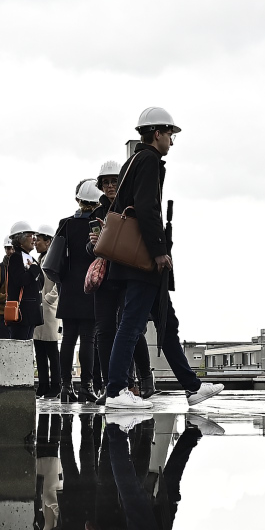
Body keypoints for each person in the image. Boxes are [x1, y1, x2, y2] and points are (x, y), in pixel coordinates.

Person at [101, 109, 223, 411]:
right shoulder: (150, 161)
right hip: (142, 263)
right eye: (170, 135)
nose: (171, 141)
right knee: (131, 324)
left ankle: (192, 387)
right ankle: (116, 389)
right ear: (157, 133)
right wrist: (159, 251)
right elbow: (146, 208)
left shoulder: (134, 161)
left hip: (135, 262)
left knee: (167, 325)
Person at [89, 159, 151, 401]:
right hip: (105, 278)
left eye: (114, 181)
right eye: (106, 182)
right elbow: (90, 248)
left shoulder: (132, 205)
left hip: (127, 275)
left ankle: (139, 380)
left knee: (130, 328)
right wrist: (93, 244)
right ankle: (111, 386)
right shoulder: (96, 213)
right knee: (104, 331)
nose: (110, 186)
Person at [52, 183, 101, 402]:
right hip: (91, 286)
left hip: (69, 288)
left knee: (69, 339)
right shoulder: (99, 225)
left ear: (78, 200)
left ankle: (65, 387)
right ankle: (87, 386)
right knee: (88, 340)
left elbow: (55, 258)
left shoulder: (65, 224)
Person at [2, 220, 44, 346]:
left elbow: (40, 281)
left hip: (30, 311)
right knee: (20, 346)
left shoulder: (29, 258)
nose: (34, 239)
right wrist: (33, 270)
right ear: (20, 240)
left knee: (25, 346)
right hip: (23, 312)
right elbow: (19, 280)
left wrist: (34, 271)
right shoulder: (16, 257)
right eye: (30, 236)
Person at [32, 220, 62, 395]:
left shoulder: (54, 258)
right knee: (40, 350)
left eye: (39, 240)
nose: (35, 242)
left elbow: (59, 282)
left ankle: (55, 385)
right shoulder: (40, 259)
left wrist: (50, 299)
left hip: (49, 311)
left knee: (51, 351)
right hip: (40, 310)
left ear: (48, 241)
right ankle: (43, 385)